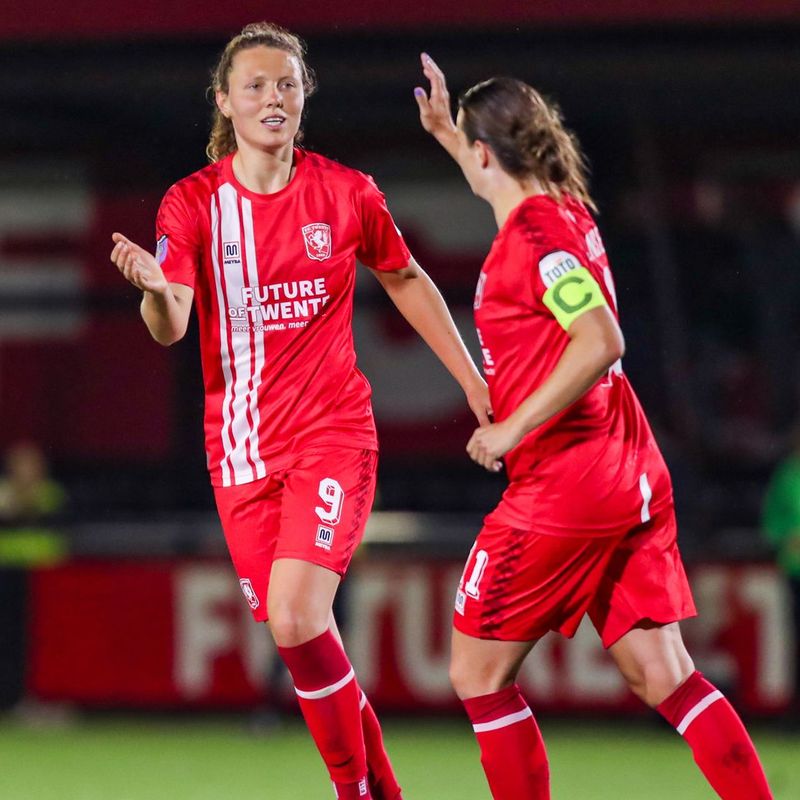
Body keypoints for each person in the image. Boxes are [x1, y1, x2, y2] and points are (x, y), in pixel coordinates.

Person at [110, 23, 490, 800]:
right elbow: (173, 322)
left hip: (333, 436)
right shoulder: (193, 203)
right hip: (241, 455)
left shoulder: (346, 192)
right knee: (305, 635)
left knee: (294, 616)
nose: (272, 97)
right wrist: (154, 289)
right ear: (225, 101)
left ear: (305, 94)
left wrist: (475, 383)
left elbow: (407, 278)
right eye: (254, 85)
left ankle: (348, 791)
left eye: (285, 83)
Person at [414, 54, 773, 799]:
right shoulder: (564, 214)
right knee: (665, 674)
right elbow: (503, 192)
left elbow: (601, 338)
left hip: (566, 480)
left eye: (472, 153)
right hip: (630, 469)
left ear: (489, 155)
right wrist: (452, 134)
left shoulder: (536, 239)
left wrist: (512, 430)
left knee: (476, 675)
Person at [762, 425, 800, 717]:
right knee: (794, 639)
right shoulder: (786, 475)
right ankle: (794, 706)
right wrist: (787, 536)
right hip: (795, 571)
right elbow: (772, 523)